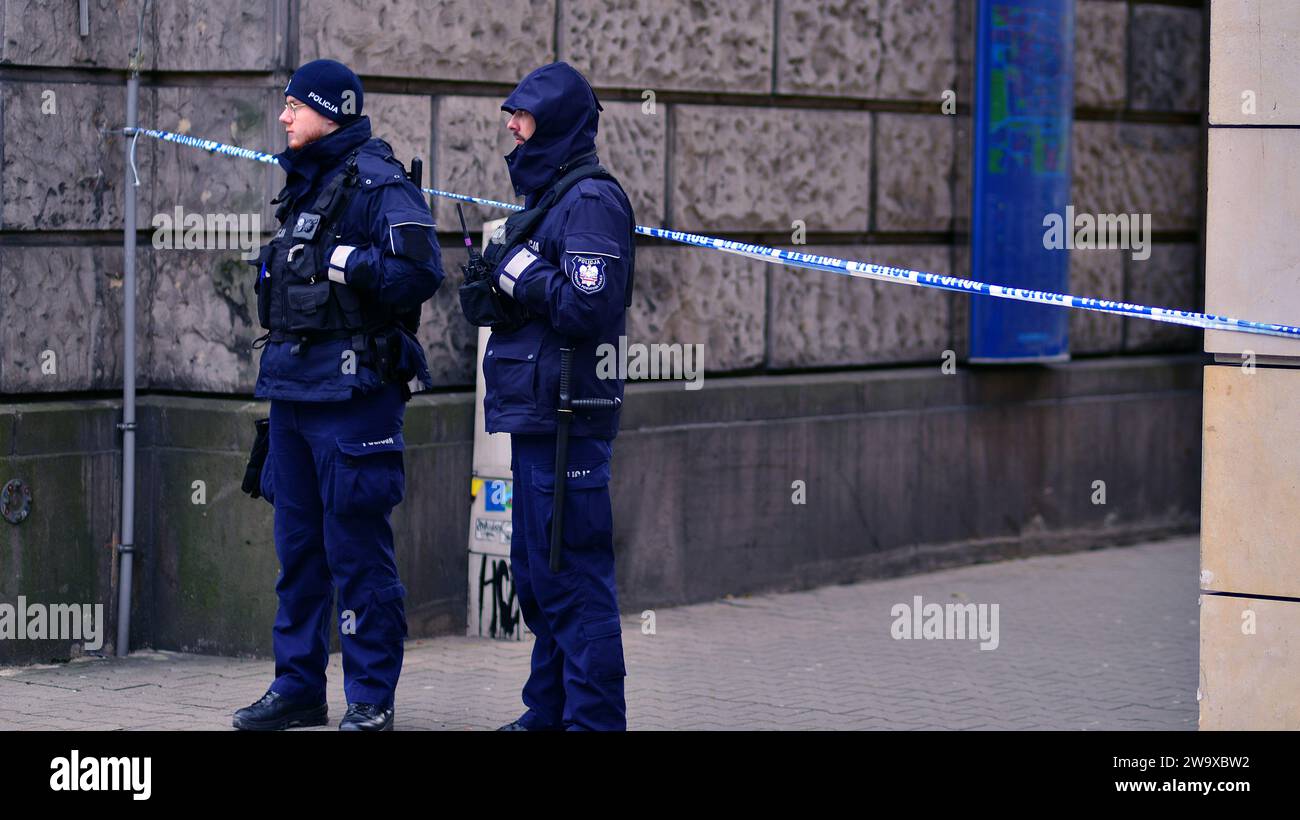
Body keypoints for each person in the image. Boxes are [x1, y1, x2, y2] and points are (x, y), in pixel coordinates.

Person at [232, 59, 443, 732]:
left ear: (331, 110)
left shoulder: (379, 182)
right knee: (298, 553)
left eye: (296, 105)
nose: (285, 116)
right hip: (293, 394)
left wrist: (353, 263)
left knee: (357, 554)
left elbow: (421, 272)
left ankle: (370, 697)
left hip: (354, 397)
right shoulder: (306, 185)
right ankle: (297, 687)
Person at [474, 62, 636, 731]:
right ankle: (546, 714)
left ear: (558, 123)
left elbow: (587, 306)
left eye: (525, 116)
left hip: (570, 418)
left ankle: (594, 724)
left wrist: (519, 275)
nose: (512, 127)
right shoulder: (550, 197)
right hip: (537, 416)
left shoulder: (591, 200)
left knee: (575, 584)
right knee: (542, 582)